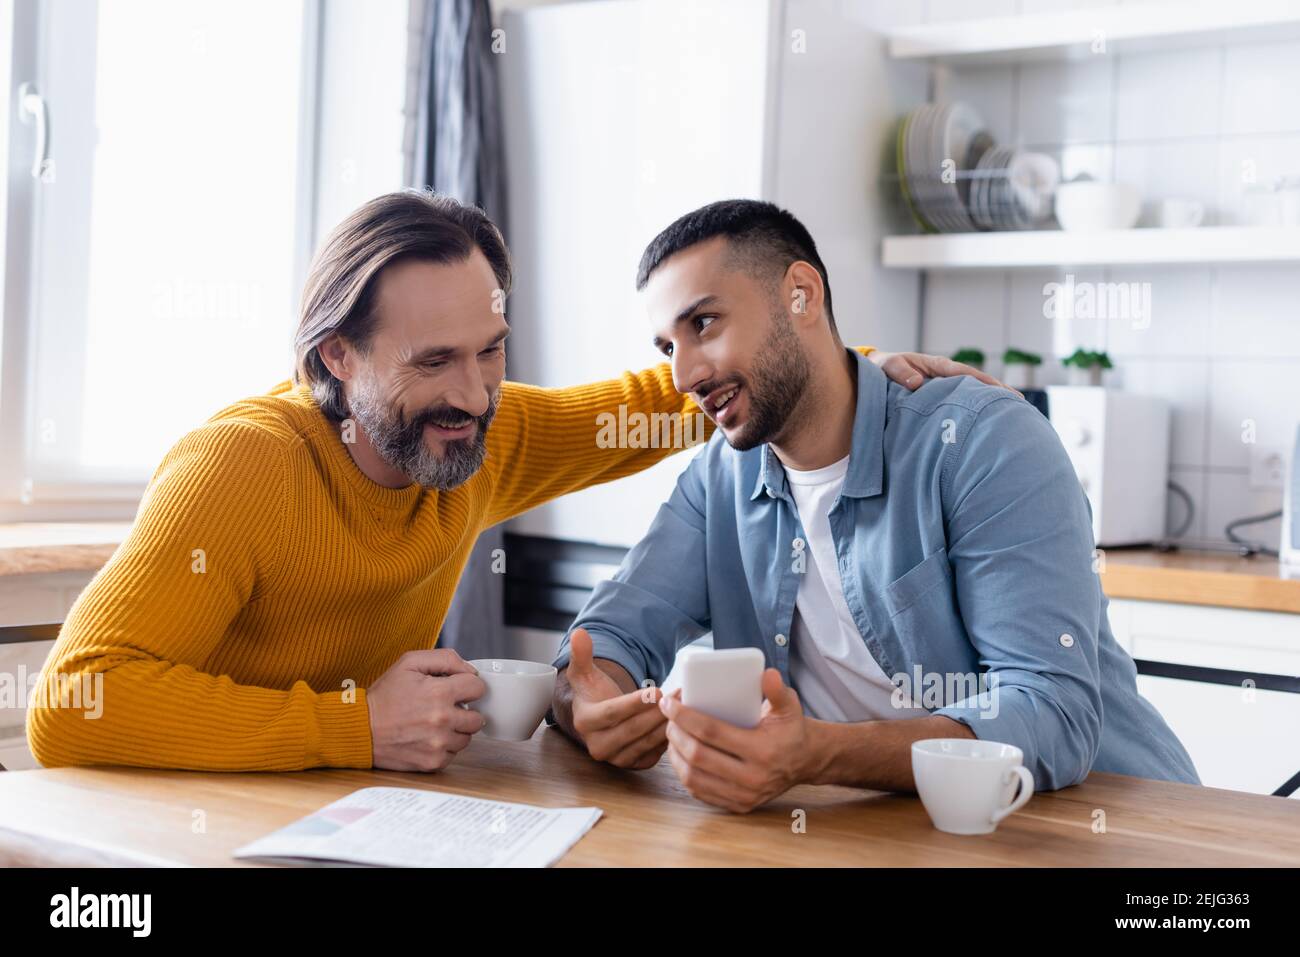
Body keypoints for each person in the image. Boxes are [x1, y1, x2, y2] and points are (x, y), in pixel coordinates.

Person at [27, 189, 984, 772]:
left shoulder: (478, 437)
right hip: (185, 833)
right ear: (340, 358)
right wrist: (352, 726)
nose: (475, 395)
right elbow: (73, 700)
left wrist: (844, 358)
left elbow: (664, 396)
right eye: (435, 360)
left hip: (341, 814)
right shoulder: (242, 469)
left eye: (491, 353)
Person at [550, 199, 1199, 812]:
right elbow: (608, 636)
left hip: (1108, 828)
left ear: (801, 294)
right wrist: (589, 704)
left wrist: (817, 755)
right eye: (668, 347)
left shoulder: (984, 441)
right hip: (897, 832)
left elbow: (1052, 714)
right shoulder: (720, 478)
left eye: (704, 324)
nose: (683, 376)